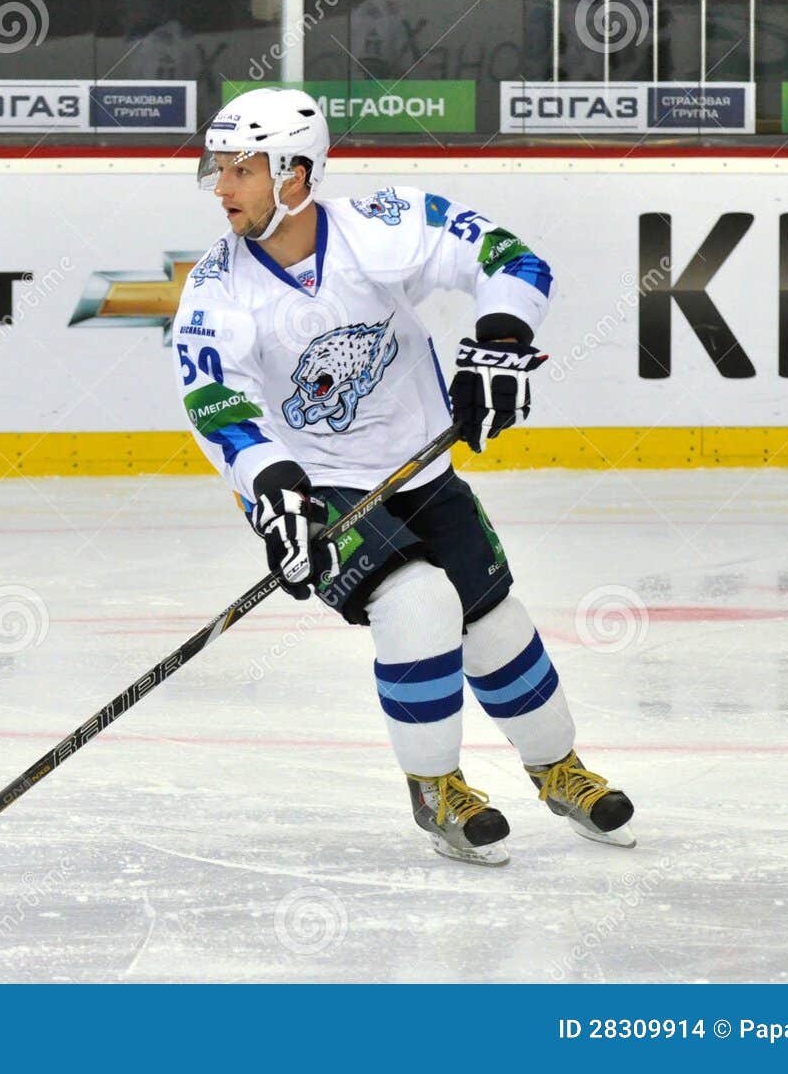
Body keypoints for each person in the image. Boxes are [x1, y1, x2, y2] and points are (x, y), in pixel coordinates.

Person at [175, 87, 634, 866]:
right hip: (315, 489)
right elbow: (217, 402)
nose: (221, 188)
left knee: (493, 621)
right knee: (418, 603)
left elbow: (511, 259)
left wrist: (501, 340)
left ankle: (558, 768)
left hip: (422, 464)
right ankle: (436, 789)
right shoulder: (217, 288)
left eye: (240, 169)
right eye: (219, 168)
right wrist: (274, 491)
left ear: (294, 175)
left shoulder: (382, 225)